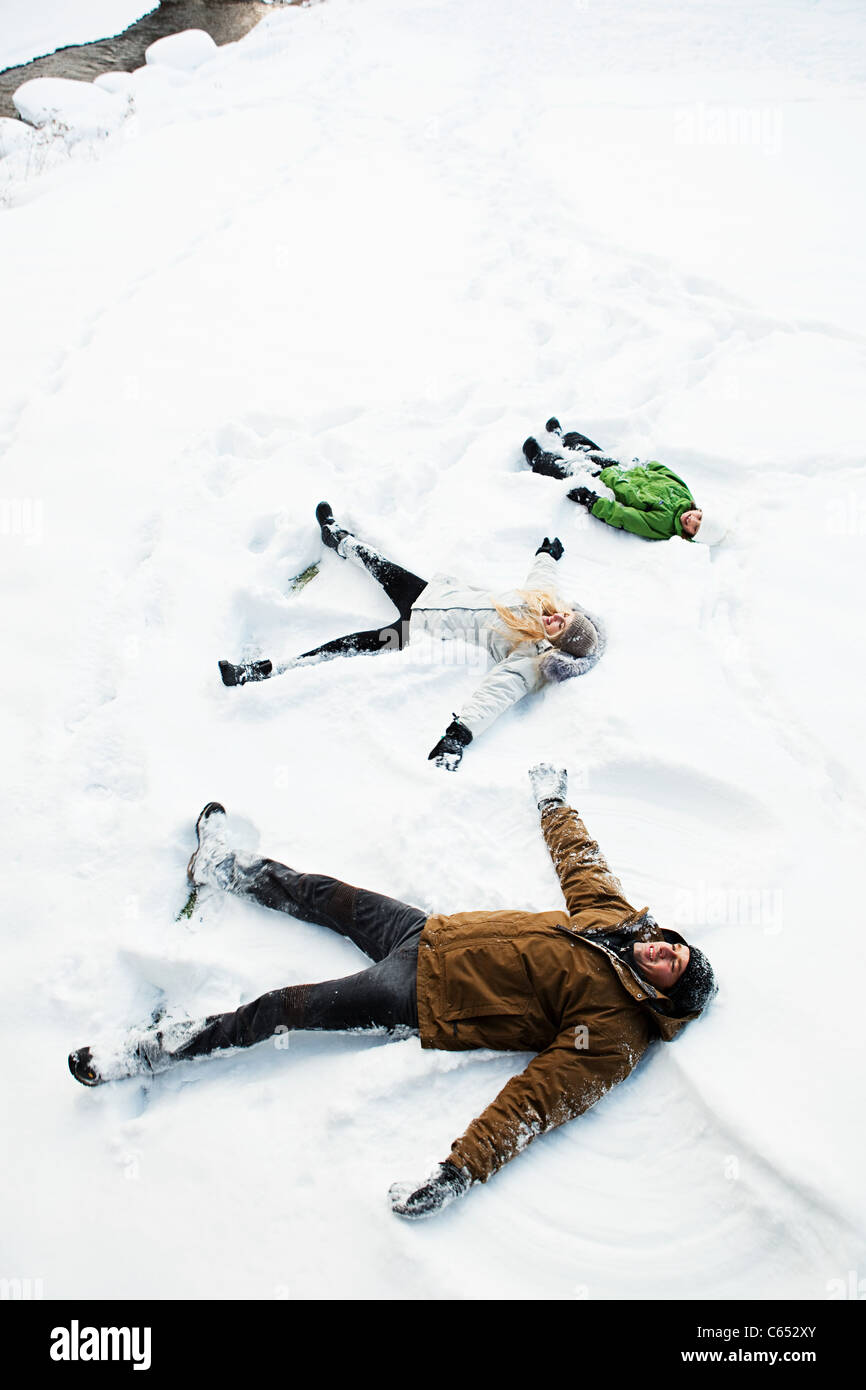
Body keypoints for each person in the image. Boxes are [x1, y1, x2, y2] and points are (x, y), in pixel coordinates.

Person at [68, 769, 717, 1220]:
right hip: (429, 931)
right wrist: (554, 805)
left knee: (281, 1009)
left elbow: (539, 1101)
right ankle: (225, 870)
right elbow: (582, 865)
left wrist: (460, 1172)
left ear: (663, 997)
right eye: (672, 945)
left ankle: (148, 1052)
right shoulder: (620, 924)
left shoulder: (615, 1034)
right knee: (323, 895)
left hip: (421, 991)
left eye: (669, 966)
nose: (660, 951)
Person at [218, 503, 606, 770]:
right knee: (379, 564)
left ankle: (264, 670)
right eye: (566, 615)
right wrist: (547, 556)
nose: (556, 617)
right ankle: (336, 536)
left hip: (415, 632)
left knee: (343, 648)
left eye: (560, 628)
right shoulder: (545, 602)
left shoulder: (529, 657)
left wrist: (460, 734)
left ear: (557, 646)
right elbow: (542, 579)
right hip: (431, 596)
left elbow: (498, 691)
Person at [523, 417, 726, 545]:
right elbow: (665, 471)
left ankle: (538, 458)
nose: (692, 520)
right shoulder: (684, 494)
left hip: (604, 482)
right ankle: (558, 438)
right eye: (699, 517)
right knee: (580, 444)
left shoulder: (663, 525)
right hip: (620, 468)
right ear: (700, 510)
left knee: (567, 468)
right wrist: (643, 465)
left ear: (688, 536)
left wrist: (593, 501)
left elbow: (625, 517)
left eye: (695, 528)